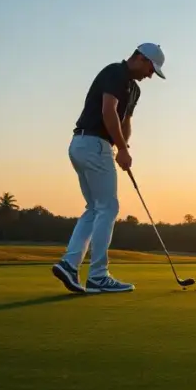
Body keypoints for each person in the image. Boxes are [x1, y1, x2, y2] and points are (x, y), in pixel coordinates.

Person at [52, 43, 166, 293]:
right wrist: (121, 150)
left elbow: (125, 120)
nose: (150, 75)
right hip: (91, 143)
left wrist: (125, 147)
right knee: (108, 207)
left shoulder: (134, 90)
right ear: (139, 57)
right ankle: (98, 275)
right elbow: (108, 111)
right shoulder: (115, 72)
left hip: (88, 146)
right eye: (150, 68)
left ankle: (69, 265)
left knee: (94, 208)